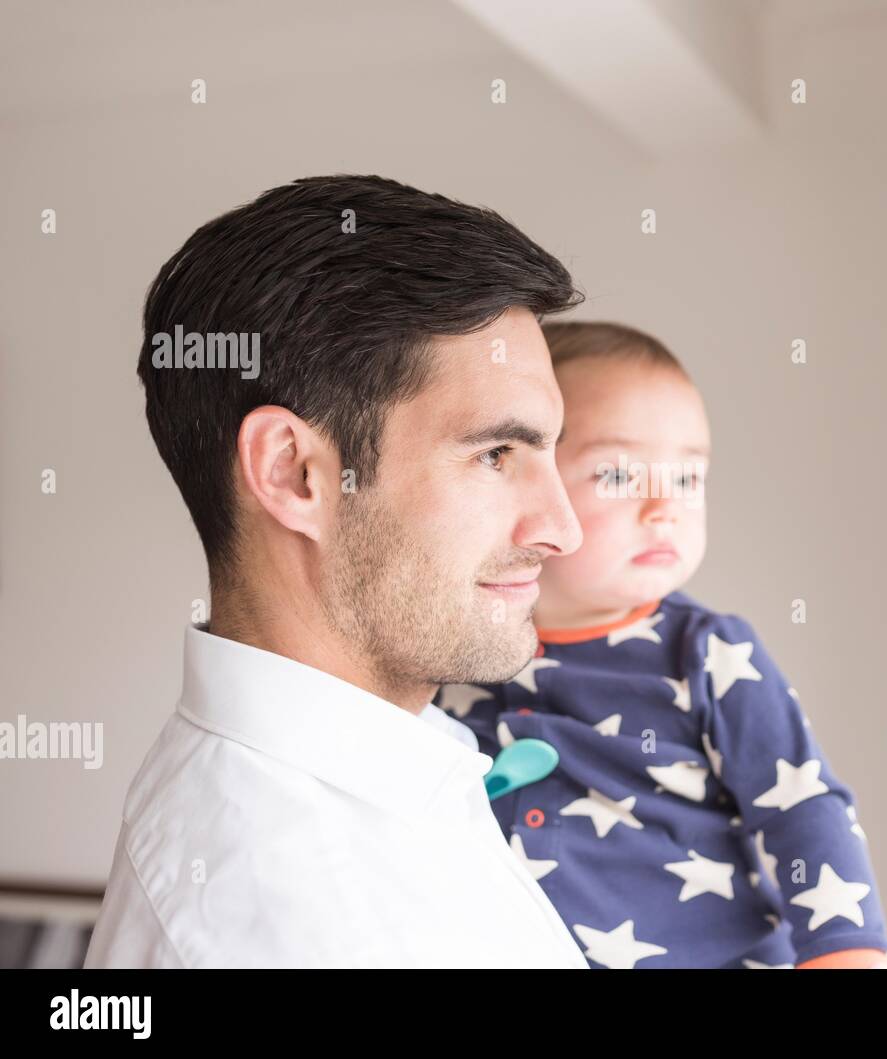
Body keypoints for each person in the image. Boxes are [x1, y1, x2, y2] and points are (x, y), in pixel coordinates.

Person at [85, 175, 589, 968]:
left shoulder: (392, 775)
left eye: (548, 454)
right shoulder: (307, 921)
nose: (564, 529)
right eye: (496, 453)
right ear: (293, 473)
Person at [431, 322, 887, 968]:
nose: (663, 508)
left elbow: (801, 805)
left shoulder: (706, 652)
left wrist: (846, 952)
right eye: (618, 474)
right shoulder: (462, 646)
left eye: (687, 479)